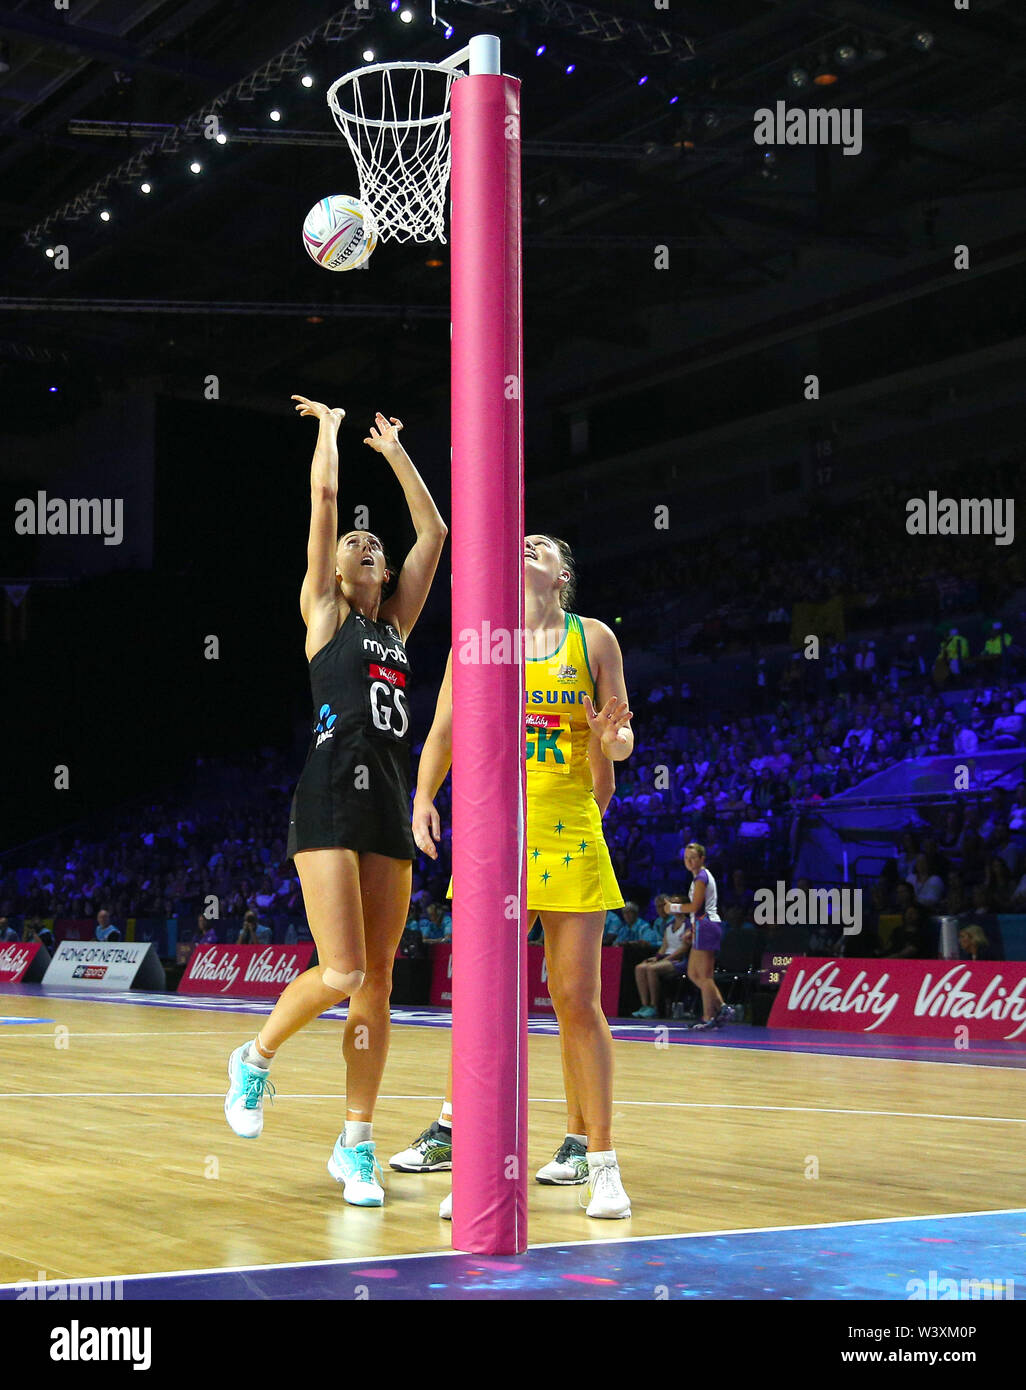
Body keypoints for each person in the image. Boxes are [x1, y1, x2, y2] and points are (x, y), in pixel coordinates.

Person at [223, 397, 447, 1212]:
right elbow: (323, 503)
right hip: (326, 797)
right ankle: (255, 1056)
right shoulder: (324, 614)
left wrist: (394, 452)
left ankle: (356, 1142)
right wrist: (328, 429)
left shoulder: (397, 624)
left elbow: (436, 536)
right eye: (356, 541)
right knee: (343, 967)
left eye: (373, 545)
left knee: (378, 984)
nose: (364, 541)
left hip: (387, 802)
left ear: (383, 576)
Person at [396, 533, 635, 1220]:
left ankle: (604, 1164)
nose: (526, 543)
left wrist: (608, 739)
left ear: (563, 574)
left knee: (575, 999)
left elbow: (620, 738)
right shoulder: (476, 639)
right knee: (482, 1000)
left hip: (571, 821)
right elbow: (441, 729)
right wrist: (422, 799)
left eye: (543, 545)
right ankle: (471, 1158)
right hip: (494, 831)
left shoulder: (592, 639)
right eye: (521, 538)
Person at [679, 843, 732, 1031]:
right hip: (701, 926)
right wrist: (692, 928)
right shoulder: (698, 878)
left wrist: (673, 908)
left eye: (693, 857)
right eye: (686, 858)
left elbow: (695, 907)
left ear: (702, 859)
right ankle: (722, 1008)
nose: (689, 861)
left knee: (704, 975)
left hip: (707, 925)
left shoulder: (701, 877)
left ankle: (710, 1015)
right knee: (694, 974)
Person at [632, 893, 692, 1018]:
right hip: (666, 958)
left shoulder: (688, 924)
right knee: (640, 967)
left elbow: (683, 949)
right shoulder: (669, 926)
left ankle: (654, 1006)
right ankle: (645, 1005)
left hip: (679, 960)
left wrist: (664, 959)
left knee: (651, 968)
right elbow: (664, 946)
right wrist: (657, 958)